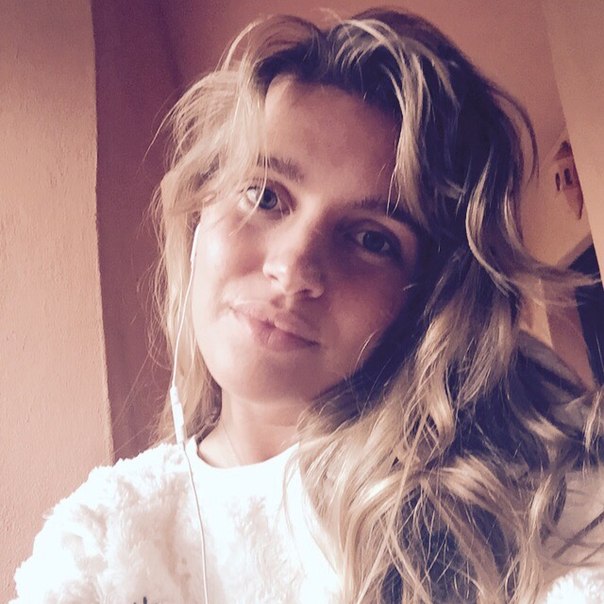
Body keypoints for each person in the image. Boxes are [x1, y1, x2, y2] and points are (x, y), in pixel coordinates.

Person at [12, 8, 604, 604]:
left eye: (371, 238)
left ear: (423, 301)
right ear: (198, 216)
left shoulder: (529, 490)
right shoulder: (101, 541)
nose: (293, 269)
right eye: (264, 195)